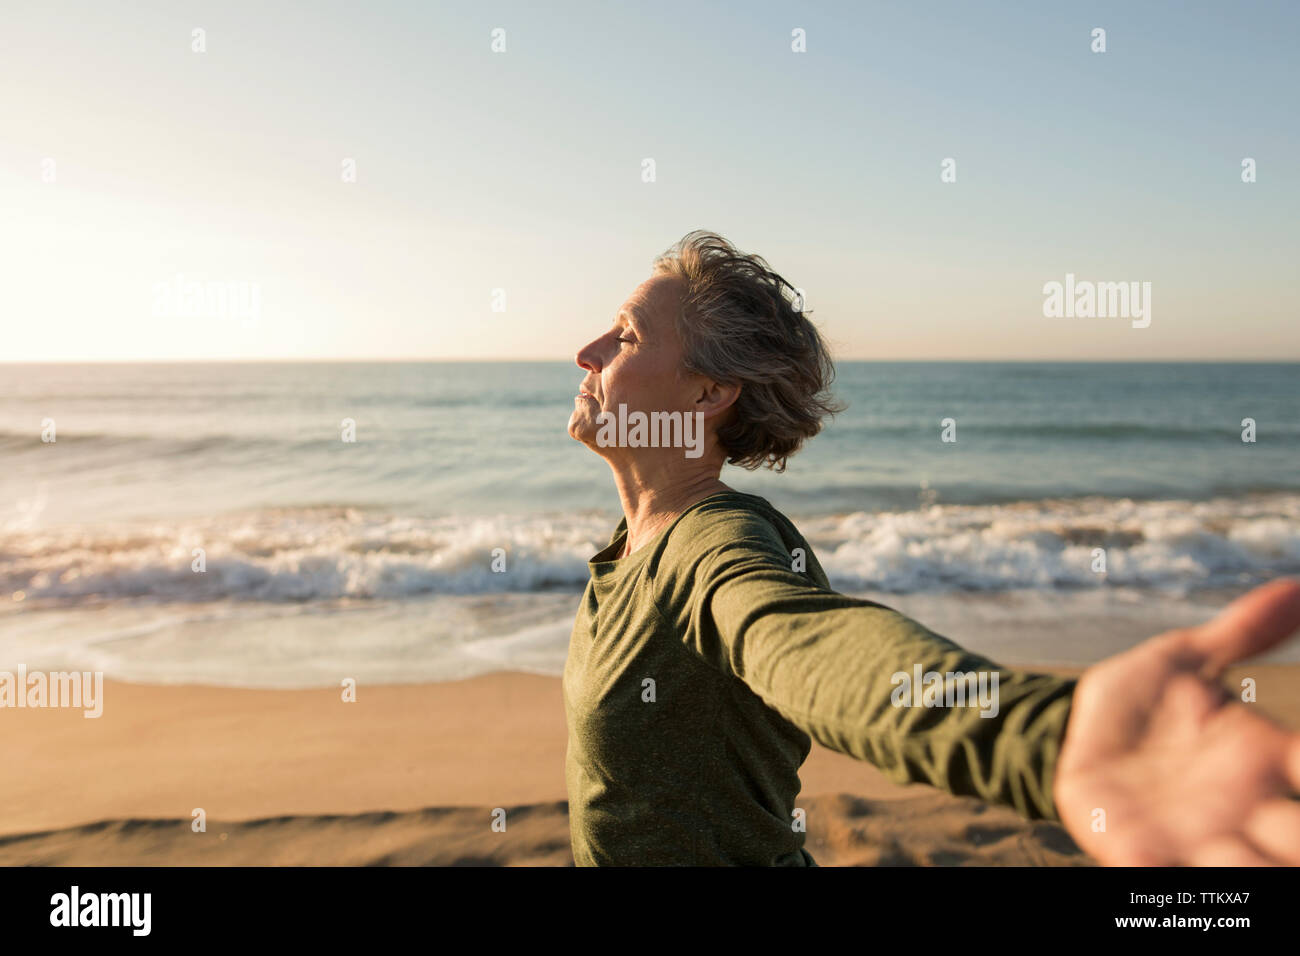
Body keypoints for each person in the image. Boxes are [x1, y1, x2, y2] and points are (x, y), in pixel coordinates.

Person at [563, 229, 1300, 866]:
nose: (586, 353)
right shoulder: (628, 547)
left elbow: (811, 647)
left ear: (707, 394)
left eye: (626, 337)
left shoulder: (715, 548)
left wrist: (1047, 736)